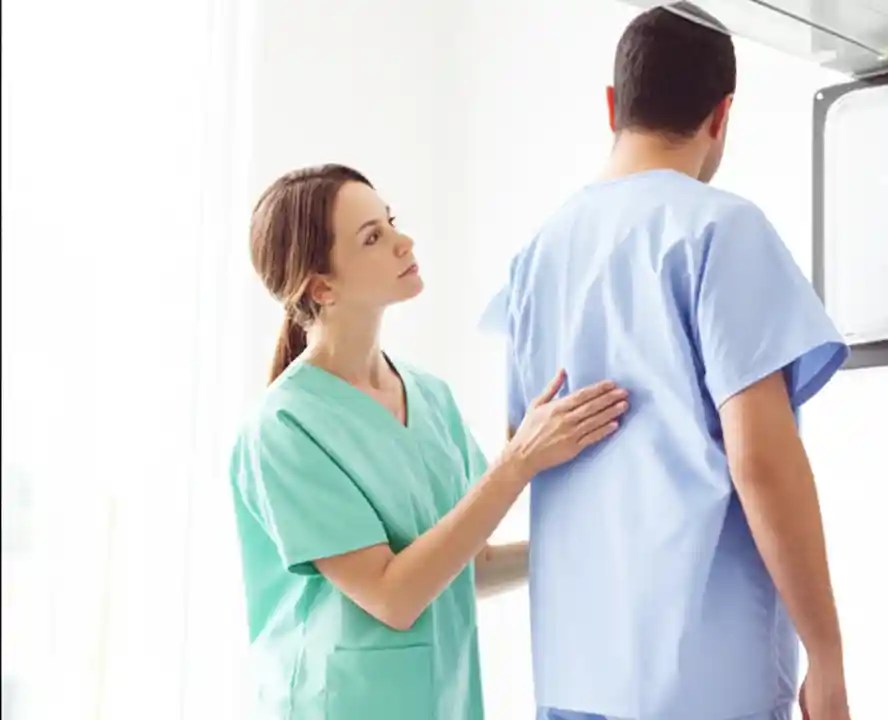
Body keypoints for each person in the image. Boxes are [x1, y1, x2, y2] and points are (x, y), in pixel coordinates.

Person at [482, 5, 853, 720]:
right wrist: (828, 661)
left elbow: (522, 459)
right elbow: (764, 464)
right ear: (722, 116)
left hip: (575, 675)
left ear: (613, 106)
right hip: (704, 679)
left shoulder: (537, 256)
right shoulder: (720, 230)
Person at [230, 163, 629, 720]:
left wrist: (584, 551)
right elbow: (394, 596)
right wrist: (519, 462)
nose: (403, 242)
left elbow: (471, 563)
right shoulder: (282, 429)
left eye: (390, 222)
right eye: (373, 236)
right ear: (323, 286)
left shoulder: (429, 396)